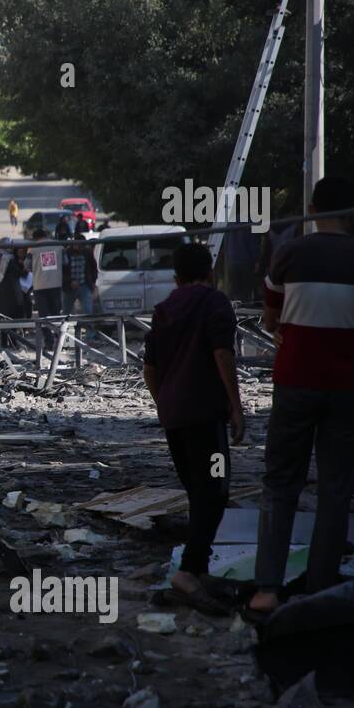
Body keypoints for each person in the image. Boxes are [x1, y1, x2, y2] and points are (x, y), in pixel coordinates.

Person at [247, 176, 354, 621]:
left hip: (294, 381)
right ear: (351, 211)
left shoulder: (288, 254)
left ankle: (267, 589)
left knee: (280, 482)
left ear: (311, 207)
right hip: (347, 386)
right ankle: (320, 586)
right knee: (335, 488)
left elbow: (271, 319)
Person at [143, 244, 244, 615]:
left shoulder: (164, 309)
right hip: (205, 416)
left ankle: (198, 569)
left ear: (176, 277)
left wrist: (163, 402)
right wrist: (236, 406)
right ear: (210, 272)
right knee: (215, 490)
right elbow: (222, 354)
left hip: (175, 418)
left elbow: (149, 368)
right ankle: (188, 571)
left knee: (197, 492)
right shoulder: (214, 303)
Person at [27, 227, 64, 349]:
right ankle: (60, 340)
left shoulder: (33, 249)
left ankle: (49, 341)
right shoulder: (58, 246)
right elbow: (66, 262)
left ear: (36, 238)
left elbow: (27, 266)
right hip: (56, 284)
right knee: (56, 314)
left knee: (43, 316)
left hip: (40, 285)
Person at [63, 232, 99, 318]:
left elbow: (94, 268)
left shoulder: (87, 252)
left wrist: (92, 282)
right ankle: (65, 329)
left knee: (88, 311)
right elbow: (63, 270)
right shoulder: (67, 253)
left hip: (84, 285)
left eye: (82, 246)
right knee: (66, 312)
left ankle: (89, 330)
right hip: (69, 287)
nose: (79, 248)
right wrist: (70, 281)